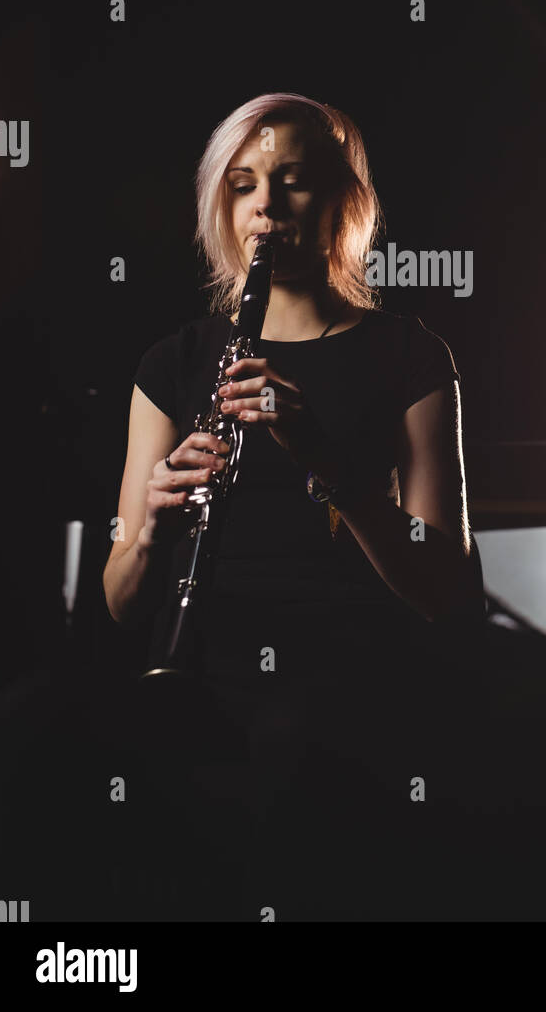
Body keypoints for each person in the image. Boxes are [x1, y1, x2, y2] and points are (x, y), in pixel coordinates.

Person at [101, 92, 487, 918]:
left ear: (344, 203)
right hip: (199, 670)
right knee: (30, 731)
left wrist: (324, 460)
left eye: (294, 181)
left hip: (351, 677)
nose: (266, 205)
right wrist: (150, 529)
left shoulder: (412, 355)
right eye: (242, 184)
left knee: (289, 755)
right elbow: (121, 600)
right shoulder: (173, 362)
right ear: (221, 205)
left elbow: (446, 589)